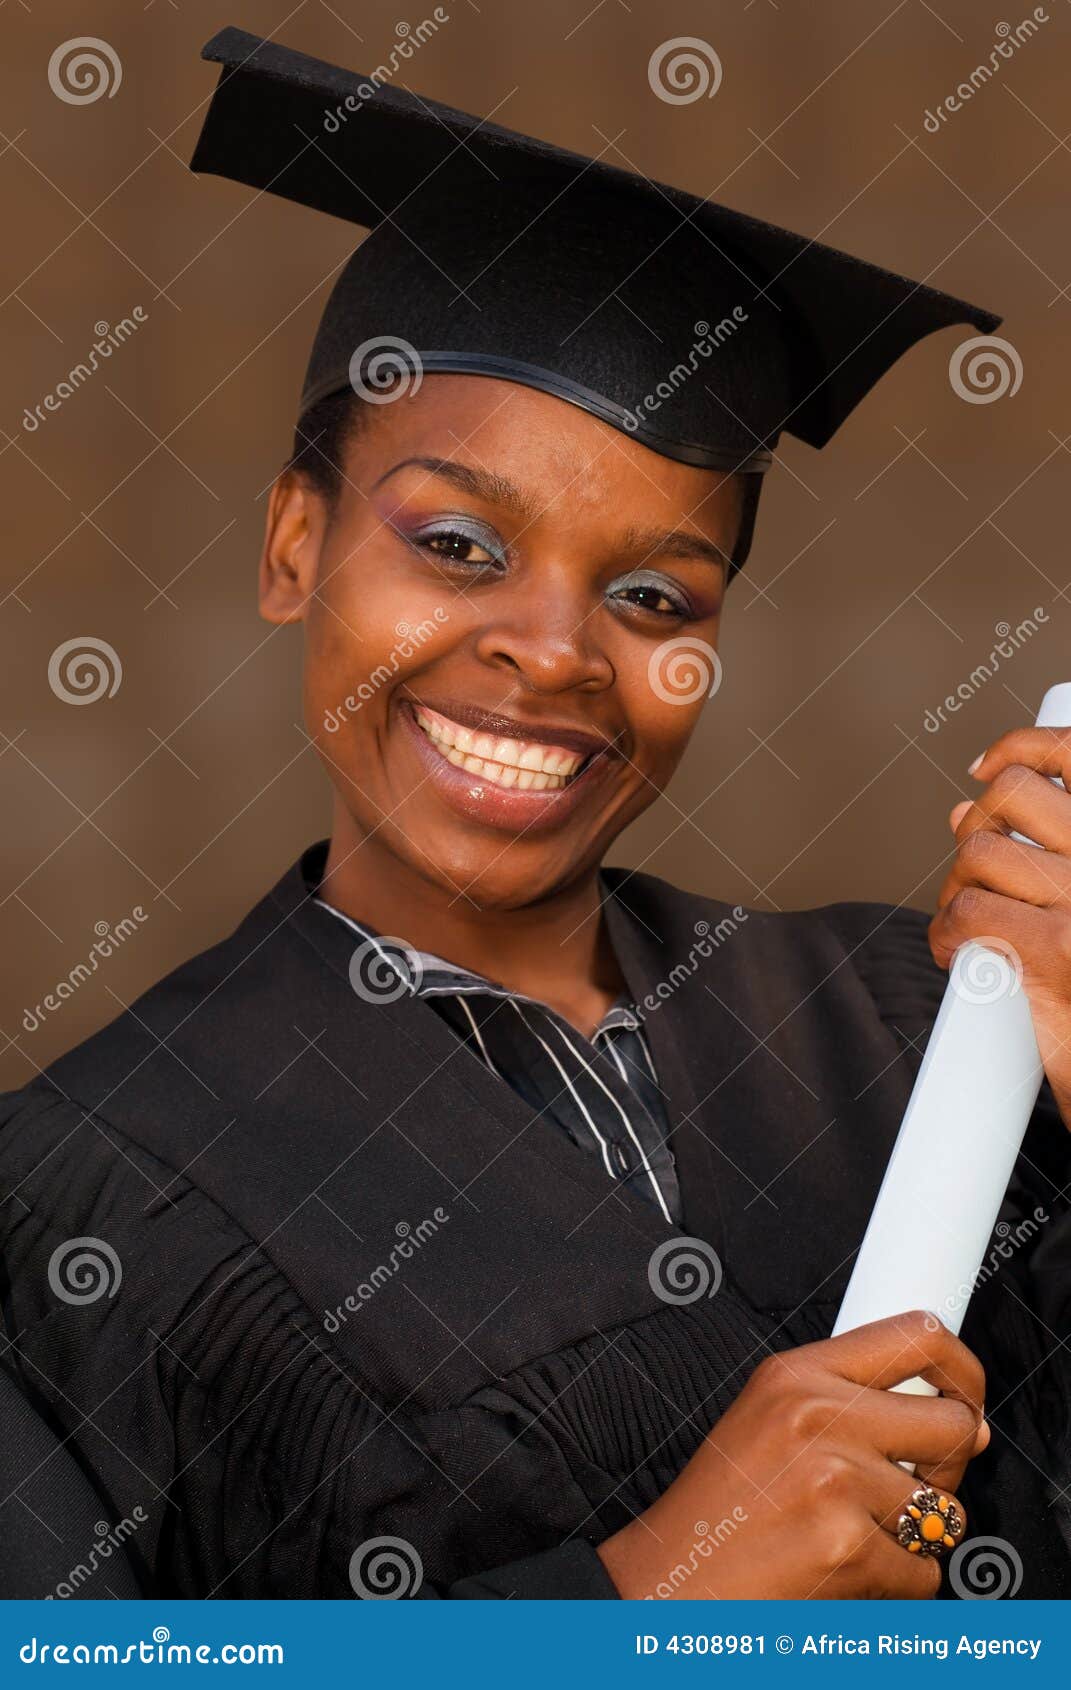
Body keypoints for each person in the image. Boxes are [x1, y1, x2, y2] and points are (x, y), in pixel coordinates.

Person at [0, 26, 1067, 1601]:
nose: (555, 652)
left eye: (652, 592)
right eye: (455, 543)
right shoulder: (84, 1185)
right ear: (296, 545)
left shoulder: (932, 1023)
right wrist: (641, 1597)